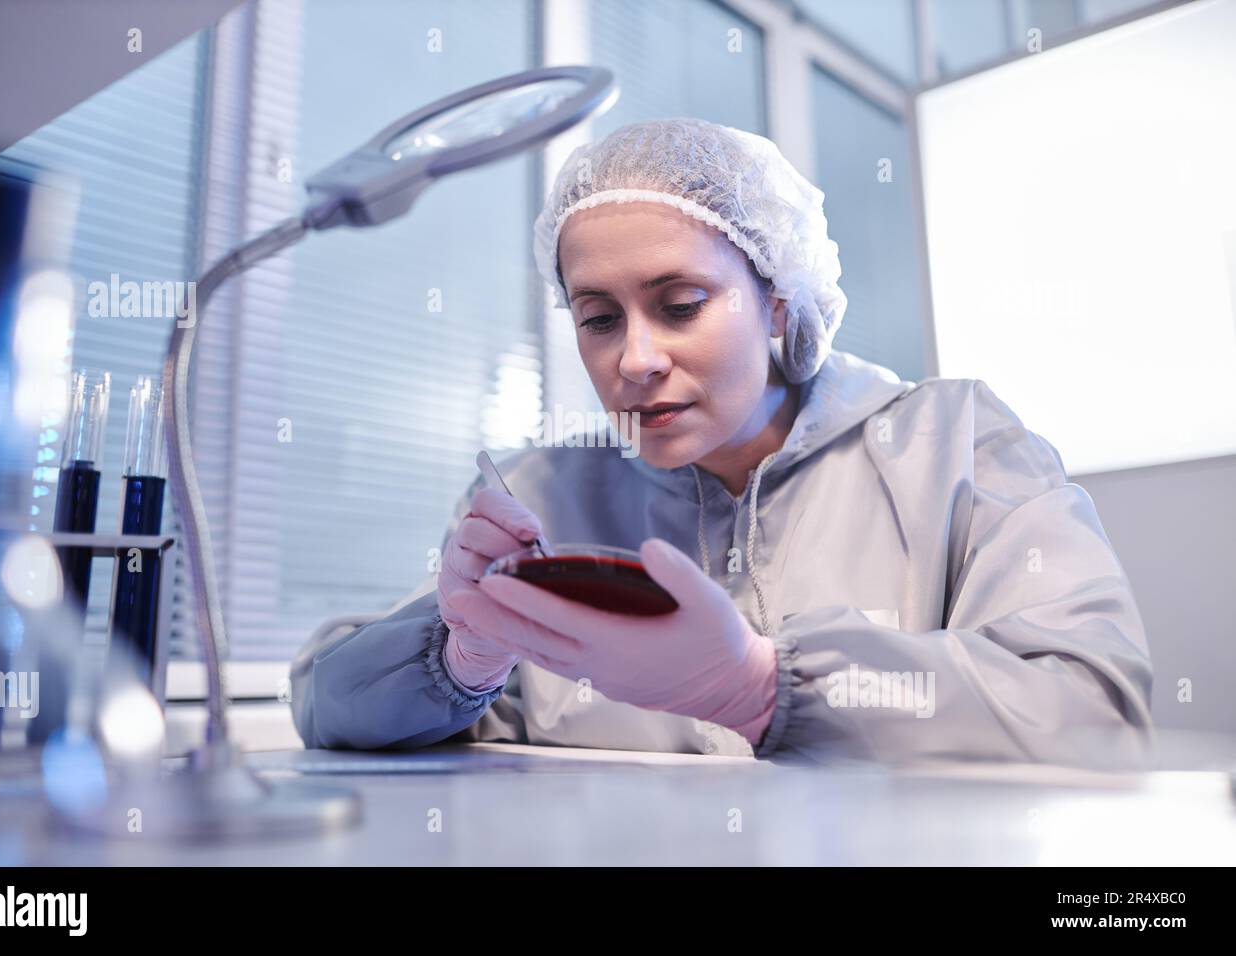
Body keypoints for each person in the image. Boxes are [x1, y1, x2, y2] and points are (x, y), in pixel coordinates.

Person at [289, 118, 1153, 767]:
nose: (633, 359)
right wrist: (457, 659)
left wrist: (768, 688)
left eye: (680, 305)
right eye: (597, 318)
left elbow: (1092, 712)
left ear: (779, 300)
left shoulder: (953, 446)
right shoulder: (542, 494)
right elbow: (326, 703)